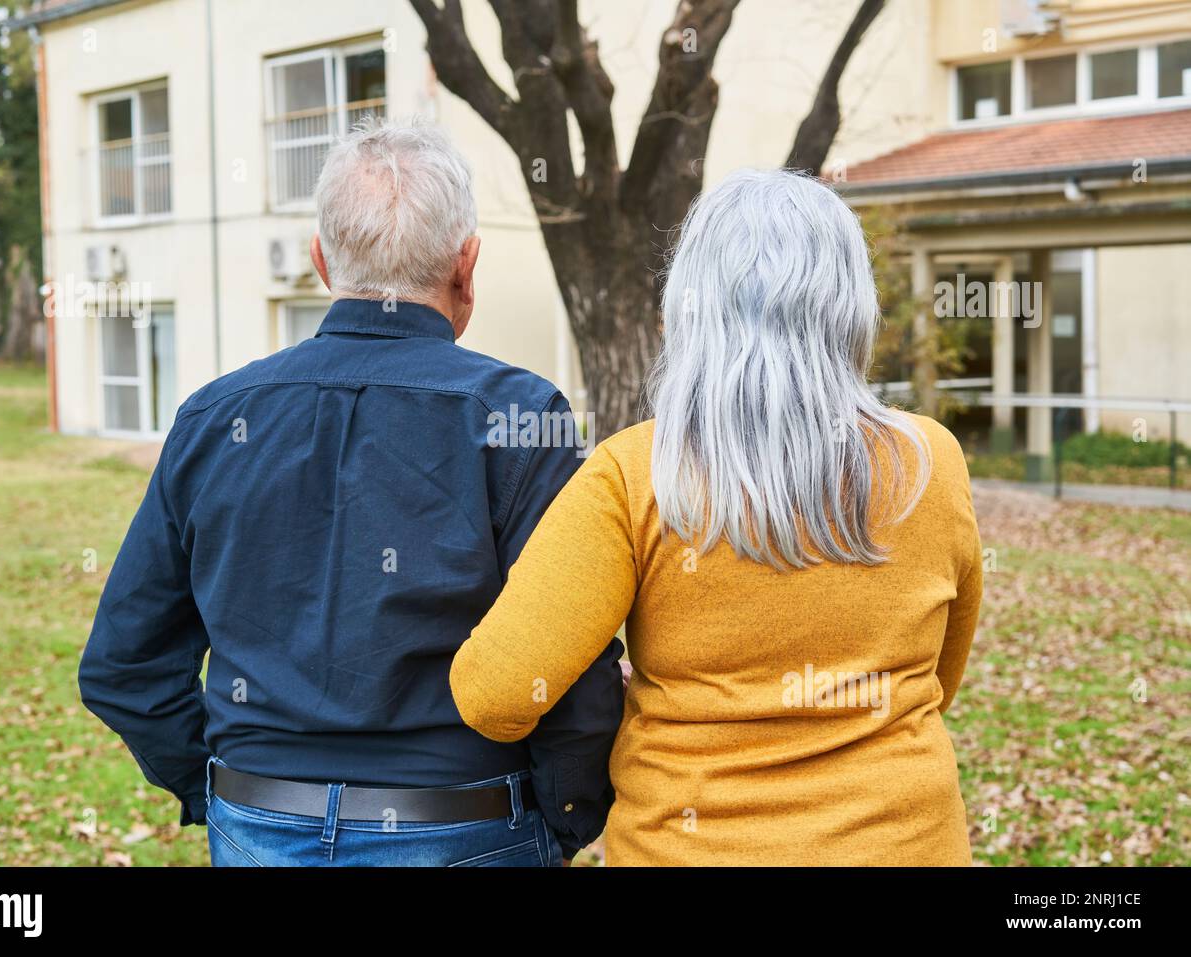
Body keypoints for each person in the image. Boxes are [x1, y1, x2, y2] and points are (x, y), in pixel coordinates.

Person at [79, 119, 623, 867]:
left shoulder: (213, 416)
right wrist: (565, 817)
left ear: (321, 262)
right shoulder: (523, 417)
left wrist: (227, 792)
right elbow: (575, 660)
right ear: (467, 265)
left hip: (268, 819)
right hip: (464, 822)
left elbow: (123, 663)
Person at [450, 169, 983, 866]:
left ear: (688, 307)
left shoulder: (633, 474)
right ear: (852, 308)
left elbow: (495, 694)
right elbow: (940, 676)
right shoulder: (929, 461)